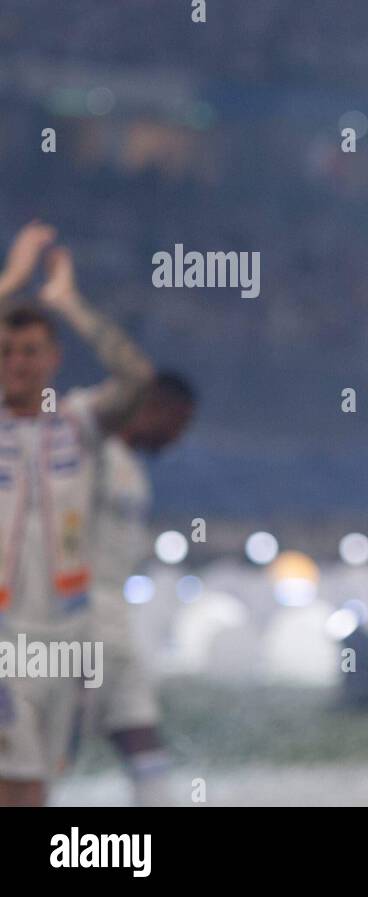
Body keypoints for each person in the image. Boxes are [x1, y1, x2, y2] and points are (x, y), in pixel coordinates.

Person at [0, 222, 156, 806]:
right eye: (6, 351)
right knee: (15, 784)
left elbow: (138, 379)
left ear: (53, 357)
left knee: (38, 783)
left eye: (30, 350)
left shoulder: (77, 423)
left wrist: (68, 303)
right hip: (4, 634)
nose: (17, 363)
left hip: (67, 637)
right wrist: (13, 281)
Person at [84, 372, 195, 806]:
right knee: (49, 745)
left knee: (140, 732)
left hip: (116, 619)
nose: (178, 437)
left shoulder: (132, 467)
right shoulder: (91, 450)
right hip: (76, 618)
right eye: (178, 422)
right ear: (153, 408)